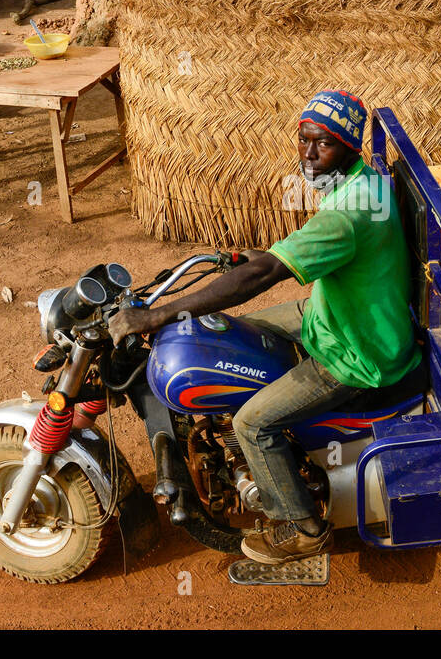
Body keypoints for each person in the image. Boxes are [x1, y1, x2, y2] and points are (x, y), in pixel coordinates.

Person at [107, 91, 421, 565]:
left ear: (350, 148)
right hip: (334, 313)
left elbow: (263, 275)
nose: (309, 154)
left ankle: (303, 528)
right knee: (225, 334)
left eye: (324, 144)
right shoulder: (364, 179)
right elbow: (289, 258)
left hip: (358, 351)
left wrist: (157, 315)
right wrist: (257, 258)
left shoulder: (347, 215)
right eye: (304, 140)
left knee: (252, 423)